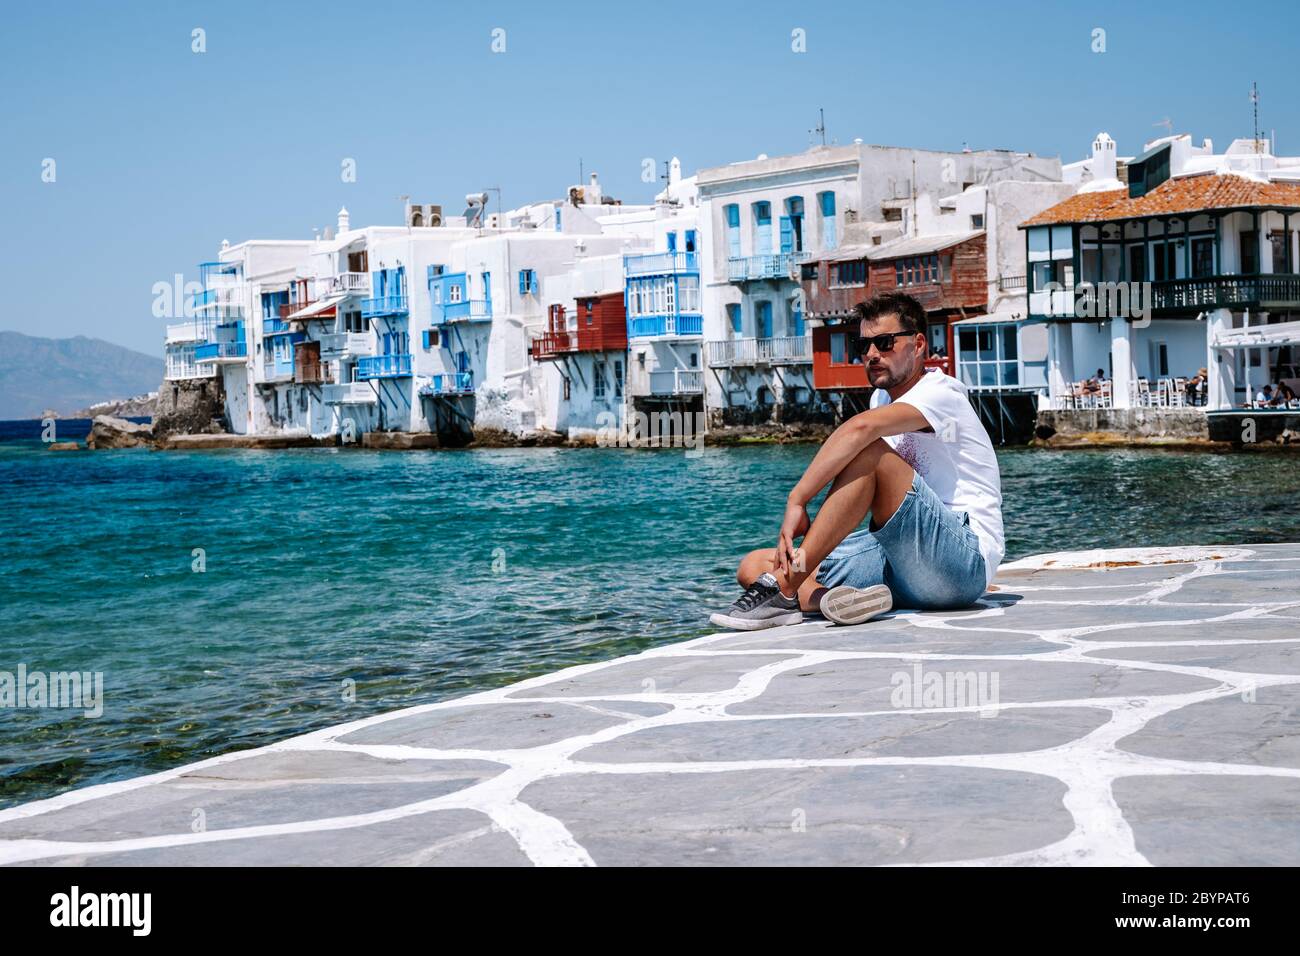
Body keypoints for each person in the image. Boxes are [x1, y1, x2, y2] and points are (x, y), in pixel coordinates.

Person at [709, 291, 1004, 630]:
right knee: (757, 564)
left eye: (885, 342)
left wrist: (798, 500)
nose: (872, 355)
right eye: (863, 346)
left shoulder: (942, 393)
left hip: (960, 558)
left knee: (870, 451)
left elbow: (860, 430)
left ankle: (787, 591)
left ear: (919, 344)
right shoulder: (881, 398)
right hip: (900, 561)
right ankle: (827, 600)